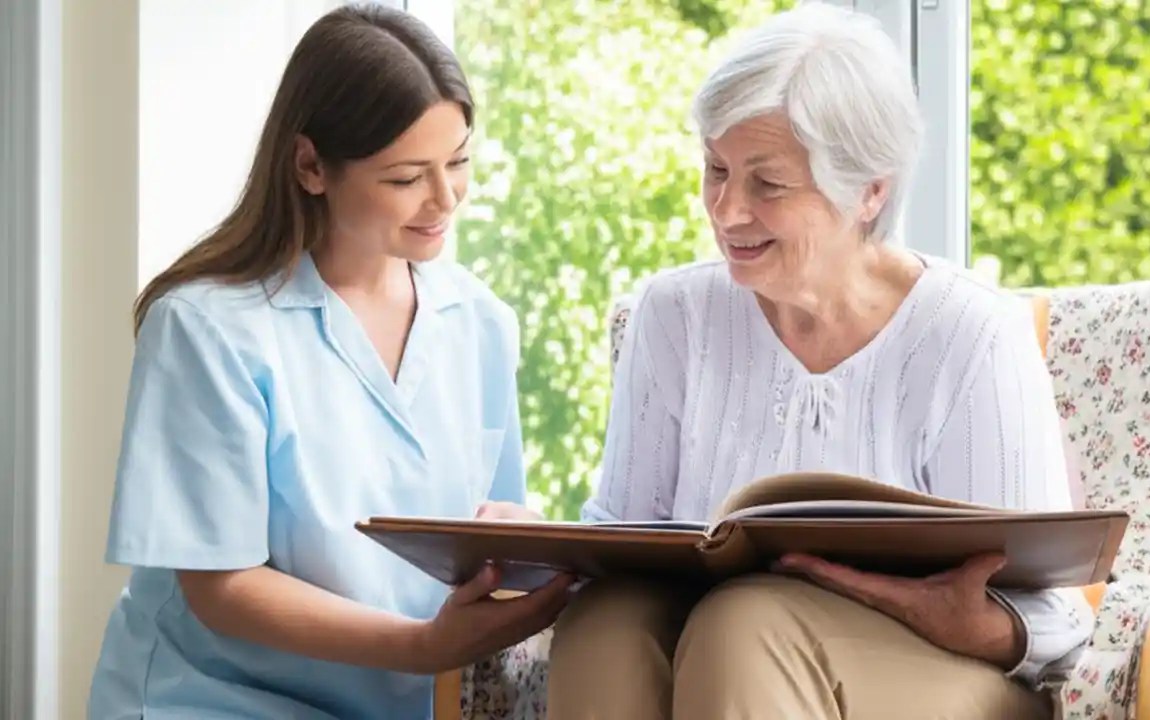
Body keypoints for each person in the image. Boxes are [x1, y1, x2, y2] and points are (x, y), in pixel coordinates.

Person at [548, 4, 1091, 719]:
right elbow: (620, 545)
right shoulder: (674, 315)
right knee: (605, 624)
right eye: (716, 170)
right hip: (723, 640)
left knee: (745, 624)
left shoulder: (971, 333)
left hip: (942, 672)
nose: (727, 209)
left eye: (766, 185)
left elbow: (1058, 615)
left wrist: (976, 623)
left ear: (870, 190)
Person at [87, 5, 566, 719]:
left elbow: (482, 535)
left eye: (459, 161)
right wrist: (422, 646)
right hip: (213, 700)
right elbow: (221, 585)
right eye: (407, 177)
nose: (446, 199)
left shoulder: (480, 324)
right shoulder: (207, 329)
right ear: (311, 166)